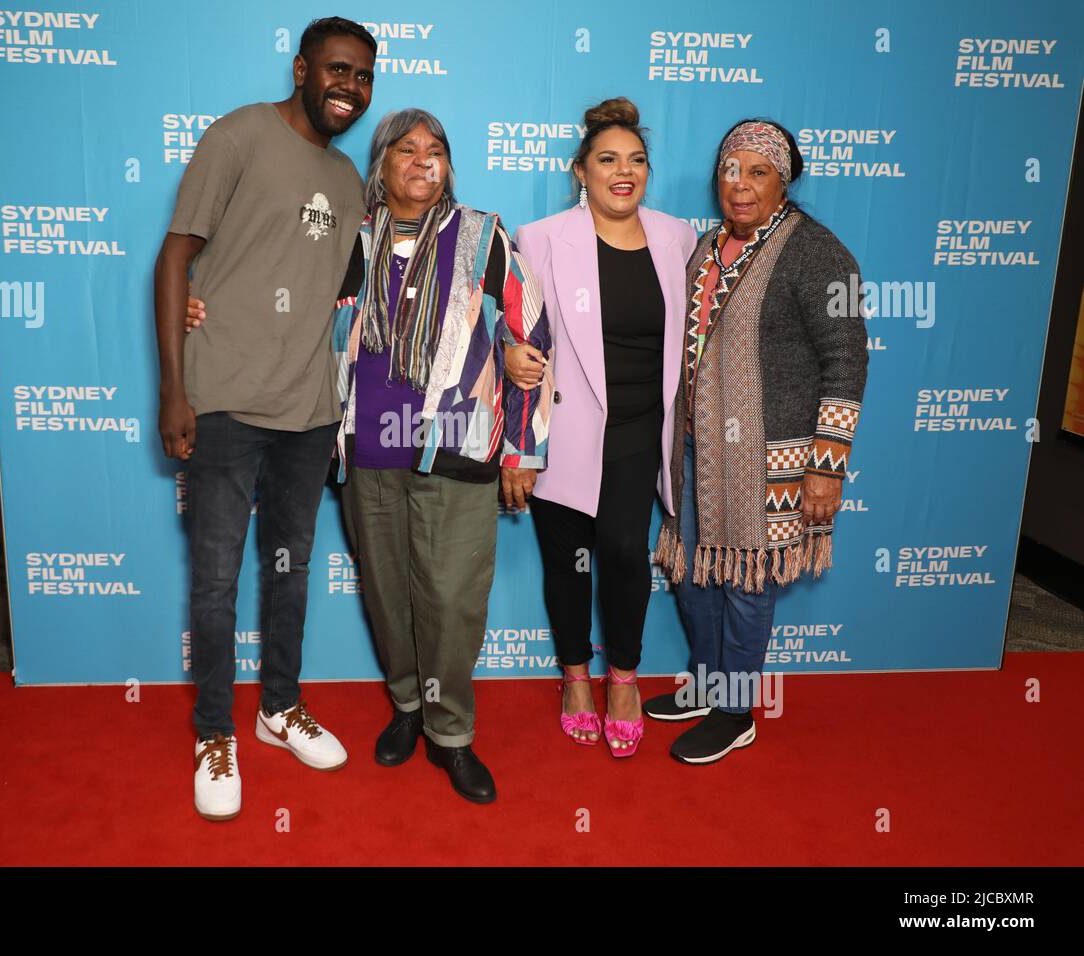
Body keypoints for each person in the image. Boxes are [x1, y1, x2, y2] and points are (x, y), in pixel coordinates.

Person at [153, 17, 376, 823]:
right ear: (303, 67)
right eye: (338, 70)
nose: (349, 88)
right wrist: (174, 392)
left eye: (363, 78)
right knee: (215, 580)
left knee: (289, 569)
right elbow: (176, 253)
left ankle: (279, 709)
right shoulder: (239, 136)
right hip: (222, 402)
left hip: (307, 411)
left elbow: (341, 279)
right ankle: (215, 732)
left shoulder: (350, 180)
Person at [332, 108, 552, 803]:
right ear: (382, 164)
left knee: (451, 599)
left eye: (436, 151)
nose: (423, 161)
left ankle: (450, 731)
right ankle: (406, 708)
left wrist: (523, 447)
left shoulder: (483, 235)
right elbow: (300, 320)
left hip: (454, 448)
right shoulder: (351, 237)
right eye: (407, 149)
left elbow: (531, 338)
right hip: (368, 447)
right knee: (389, 594)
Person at [646, 118, 869, 764]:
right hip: (694, 451)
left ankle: (736, 709)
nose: (738, 185)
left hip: (771, 456)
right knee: (694, 576)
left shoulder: (819, 251)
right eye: (729, 170)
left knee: (746, 586)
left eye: (757, 172)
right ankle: (708, 684)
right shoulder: (705, 246)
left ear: (784, 181)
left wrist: (828, 467)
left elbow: (848, 358)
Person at [508, 98, 697, 758]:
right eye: (607, 160)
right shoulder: (538, 238)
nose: (624, 172)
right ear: (579, 171)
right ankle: (574, 679)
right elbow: (514, 337)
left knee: (622, 553)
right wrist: (517, 444)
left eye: (636, 160)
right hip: (562, 426)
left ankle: (623, 677)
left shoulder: (678, 237)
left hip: (641, 427)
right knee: (566, 561)